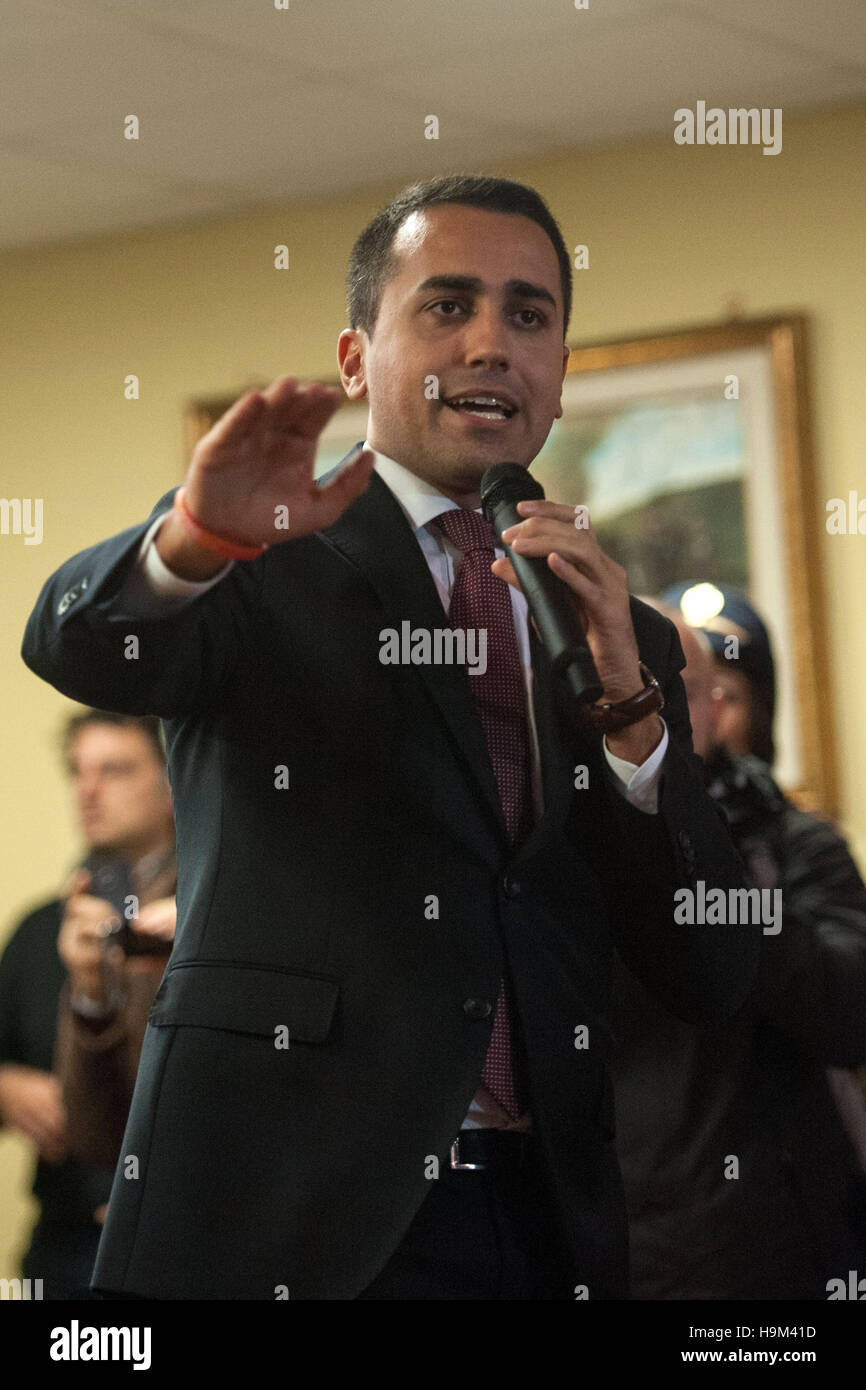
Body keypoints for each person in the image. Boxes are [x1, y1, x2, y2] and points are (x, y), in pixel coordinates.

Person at [21, 174, 758, 1301]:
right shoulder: (259, 554)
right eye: (444, 305)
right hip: (286, 1211)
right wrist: (194, 534)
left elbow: (707, 965)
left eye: (527, 315)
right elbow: (79, 645)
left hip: (542, 1214)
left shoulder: (608, 624)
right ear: (357, 357)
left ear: (558, 367)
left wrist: (628, 709)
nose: (488, 344)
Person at [611, 600, 866, 1298]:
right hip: (651, 1246)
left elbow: (847, 1012)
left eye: (705, 695)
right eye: (664, 691)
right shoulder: (583, 842)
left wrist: (715, 851)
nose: (703, 717)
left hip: (800, 1239)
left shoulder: (794, 842)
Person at [0, 710, 176, 1298]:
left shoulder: (217, 928)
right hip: (68, 1246)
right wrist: (5, 1087)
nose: (88, 791)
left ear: (177, 783)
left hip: (183, 1247)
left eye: (116, 770)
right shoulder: (38, 931)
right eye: (77, 771)